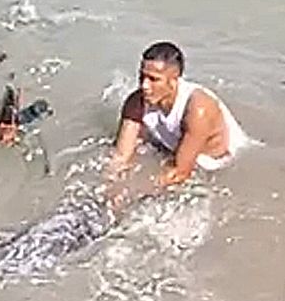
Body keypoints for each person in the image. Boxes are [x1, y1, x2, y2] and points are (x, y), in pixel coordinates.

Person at [106, 41, 250, 200]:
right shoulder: (136, 102)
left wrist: (134, 193)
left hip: (213, 163)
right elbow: (120, 157)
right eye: (142, 76)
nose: (144, 86)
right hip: (174, 146)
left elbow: (180, 173)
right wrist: (111, 190)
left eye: (154, 79)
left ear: (174, 81)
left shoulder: (198, 108)